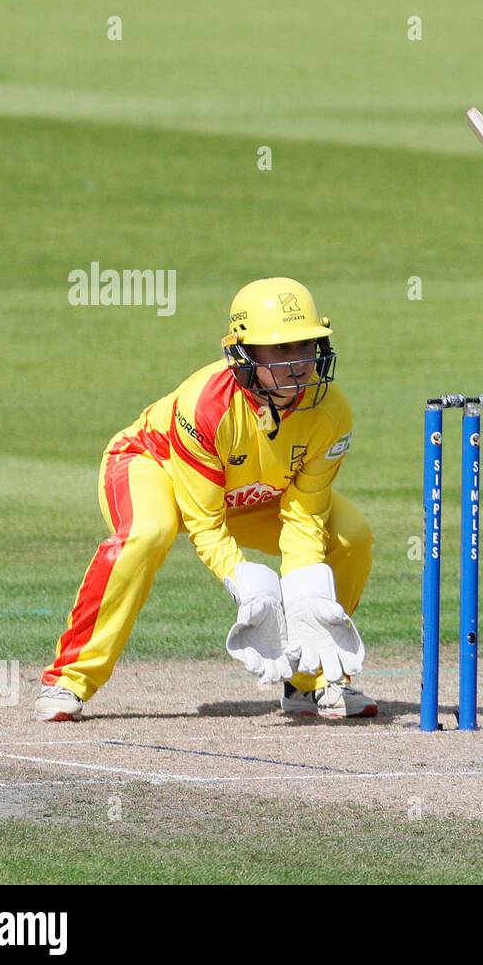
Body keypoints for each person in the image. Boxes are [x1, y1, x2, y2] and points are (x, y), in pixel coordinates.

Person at [33, 278, 375, 722]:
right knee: (148, 533)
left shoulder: (333, 412)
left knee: (350, 537)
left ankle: (309, 684)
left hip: (251, 494)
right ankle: (68, 679)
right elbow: (205, 523)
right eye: (280, 350)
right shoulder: (205, 405)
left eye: (306, 345)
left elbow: (305, 512)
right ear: (244, 353)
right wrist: (245, 580)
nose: (298, 364)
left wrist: (306, 591)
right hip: (153, 465)